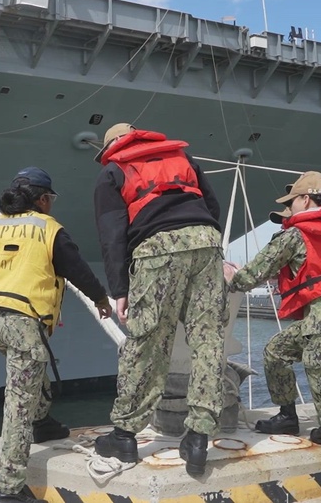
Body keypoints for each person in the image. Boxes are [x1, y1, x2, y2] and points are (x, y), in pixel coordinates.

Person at [225, 171, 321, 503]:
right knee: (284, 353)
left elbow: (252, 275)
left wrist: (230, 276)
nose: (289, 208)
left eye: (291, 201)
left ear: (305, 199)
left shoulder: (295, 236)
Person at [91, 123, 227, 477]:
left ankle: (124, 435)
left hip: (157, 249)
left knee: (147, 342)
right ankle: (198, 437)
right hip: (206, 242)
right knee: (208, 341)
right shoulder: (183, 157)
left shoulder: (113, 171)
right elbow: (212, 205)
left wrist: (120, 289)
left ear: (112, 146)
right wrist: (208, 246)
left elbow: (112, 236)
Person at [0, 167, 113, 503]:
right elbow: (77, 270)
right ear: (42, 200)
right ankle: (9, 490)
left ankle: (44, 422)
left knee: (32, 369)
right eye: (50, 198)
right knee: (18, 407)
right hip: (23, 322)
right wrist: (101, 299)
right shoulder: (50, 229)